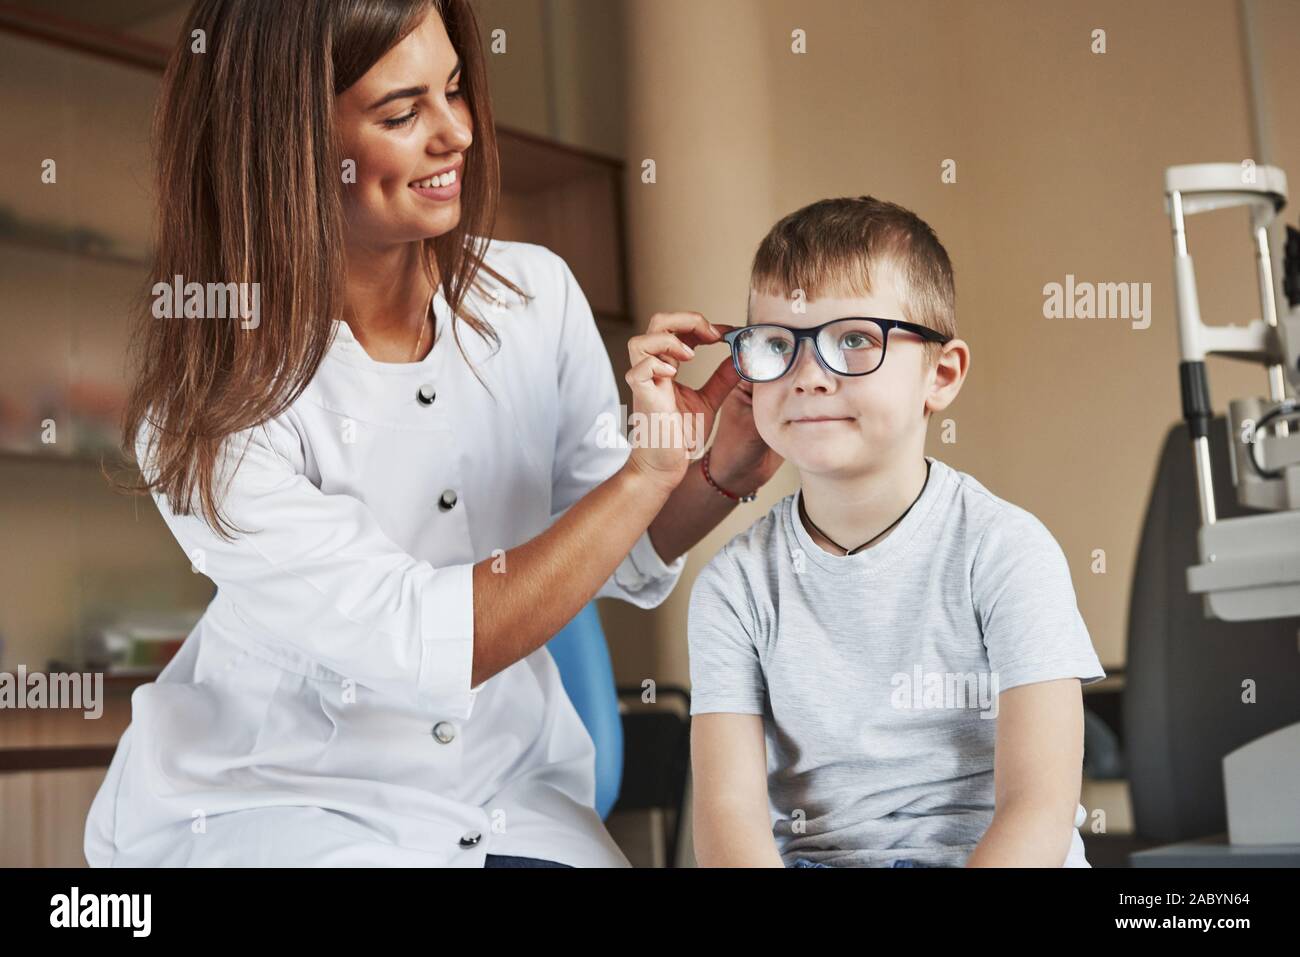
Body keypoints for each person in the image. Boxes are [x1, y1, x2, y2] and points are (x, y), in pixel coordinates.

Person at [84, 0, 780, 868]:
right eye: (402, 113)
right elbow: (421, 640)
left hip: (510, 792)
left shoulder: (532, 296)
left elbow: (621, 550)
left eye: (455, 91)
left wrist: (718, 465)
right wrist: (643, 479)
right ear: (287, 144)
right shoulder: (207, 408)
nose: (457, 133)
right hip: (279, 802)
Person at [687, 196, 1106, 868]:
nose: (809, 377)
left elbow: (1039, 805)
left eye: (854, 338)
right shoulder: (732, 587)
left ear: (940, 375)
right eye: (776, 345)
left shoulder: (1007, 551)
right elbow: (728, 821)